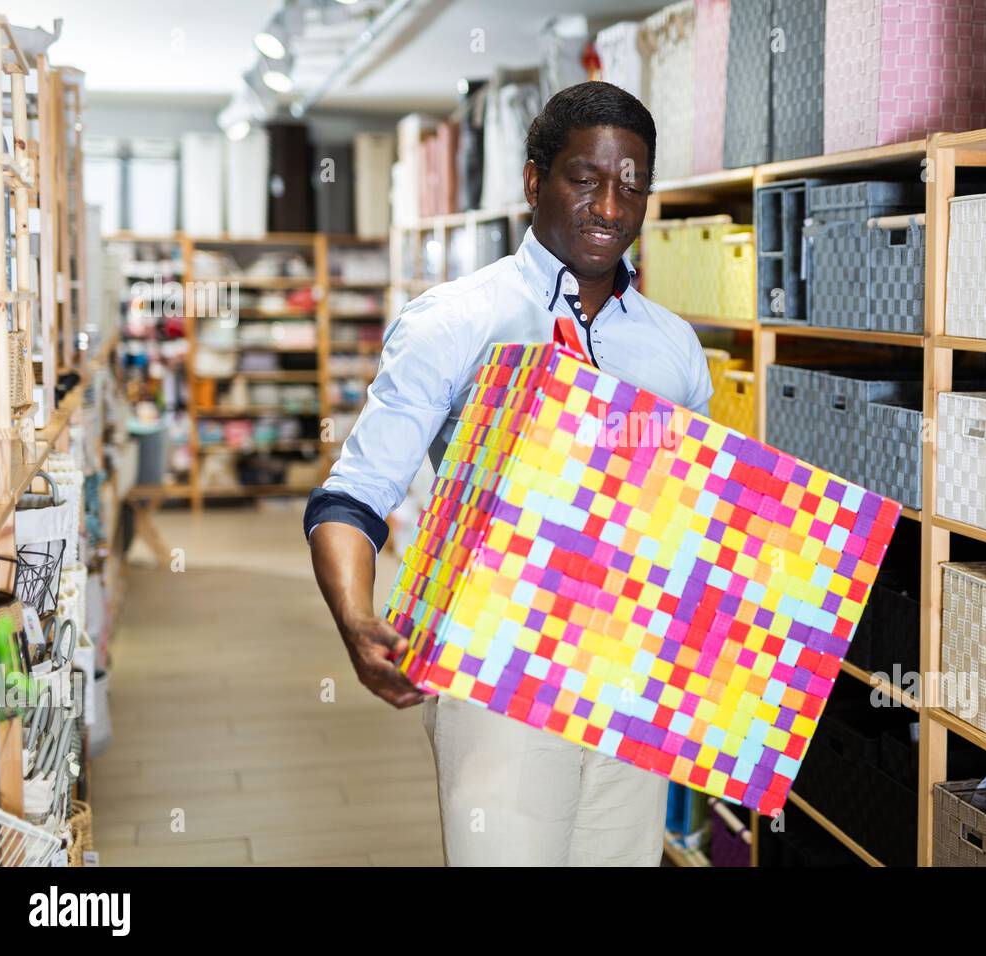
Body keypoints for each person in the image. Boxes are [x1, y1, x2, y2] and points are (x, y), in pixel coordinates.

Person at [304, 81, 714, 866]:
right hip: (496, 665)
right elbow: (353, 495)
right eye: (585, 179)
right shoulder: (456, 321)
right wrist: (356, 620)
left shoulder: (673, 348)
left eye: (632, 185)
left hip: (632, 667)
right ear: (534, 179)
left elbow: (692, 509)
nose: (609, 206)